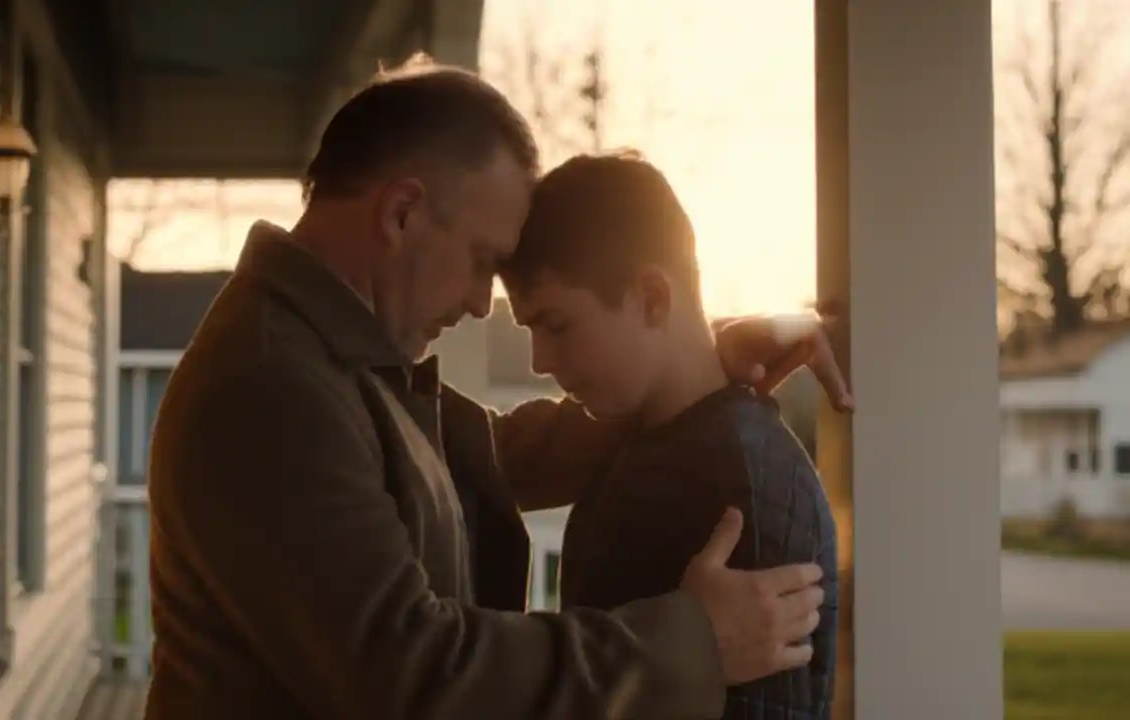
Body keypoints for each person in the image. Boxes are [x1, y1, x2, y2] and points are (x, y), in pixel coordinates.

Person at [144, 57, 849, 719]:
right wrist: (692, 647)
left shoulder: (331, 363)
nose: (483, 303)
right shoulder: (270, 386)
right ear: (401, 214)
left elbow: (491, 455)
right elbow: (409, 673)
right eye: (484, 260)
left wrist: (692, 355)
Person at [500, 152, 839, 718]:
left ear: (653, 298)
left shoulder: (738, 483)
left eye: (556, 325)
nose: (539, 361)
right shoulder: (637, 438)